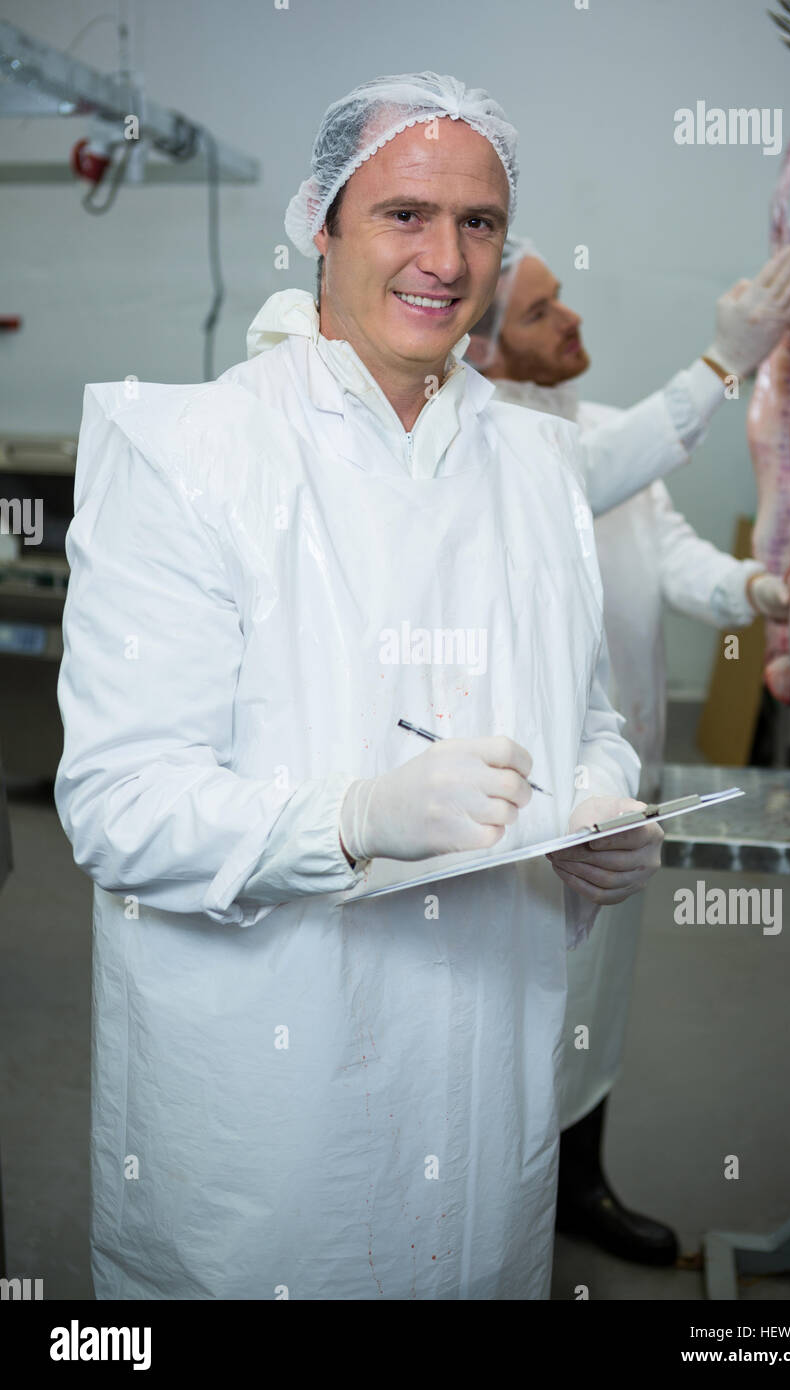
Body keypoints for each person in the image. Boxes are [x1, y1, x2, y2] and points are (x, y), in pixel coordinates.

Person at [54, 72, 667, 1302]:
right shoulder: (188, 453)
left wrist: (599, 802)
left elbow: (585, 714)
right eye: (402, 214)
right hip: (270, 1095)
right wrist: (349, 822)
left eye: (479, 223)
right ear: (321, 224)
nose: (444, 257)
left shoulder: (540, 466)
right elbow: (117, 802)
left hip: (489, 1063)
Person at [467, 237, 790, 1266]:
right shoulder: (486, 446)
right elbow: (589, 478)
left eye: (561, 299)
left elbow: (674, 559)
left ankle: (579, 1188)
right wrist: (719, 363)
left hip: (627, 789)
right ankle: (492, 1207)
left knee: (595, 1015)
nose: (569, 320)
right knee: (516, 1018)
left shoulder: (613, 429)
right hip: (525, 808)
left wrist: (753, 590)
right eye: (538, 313)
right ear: (483, 352)